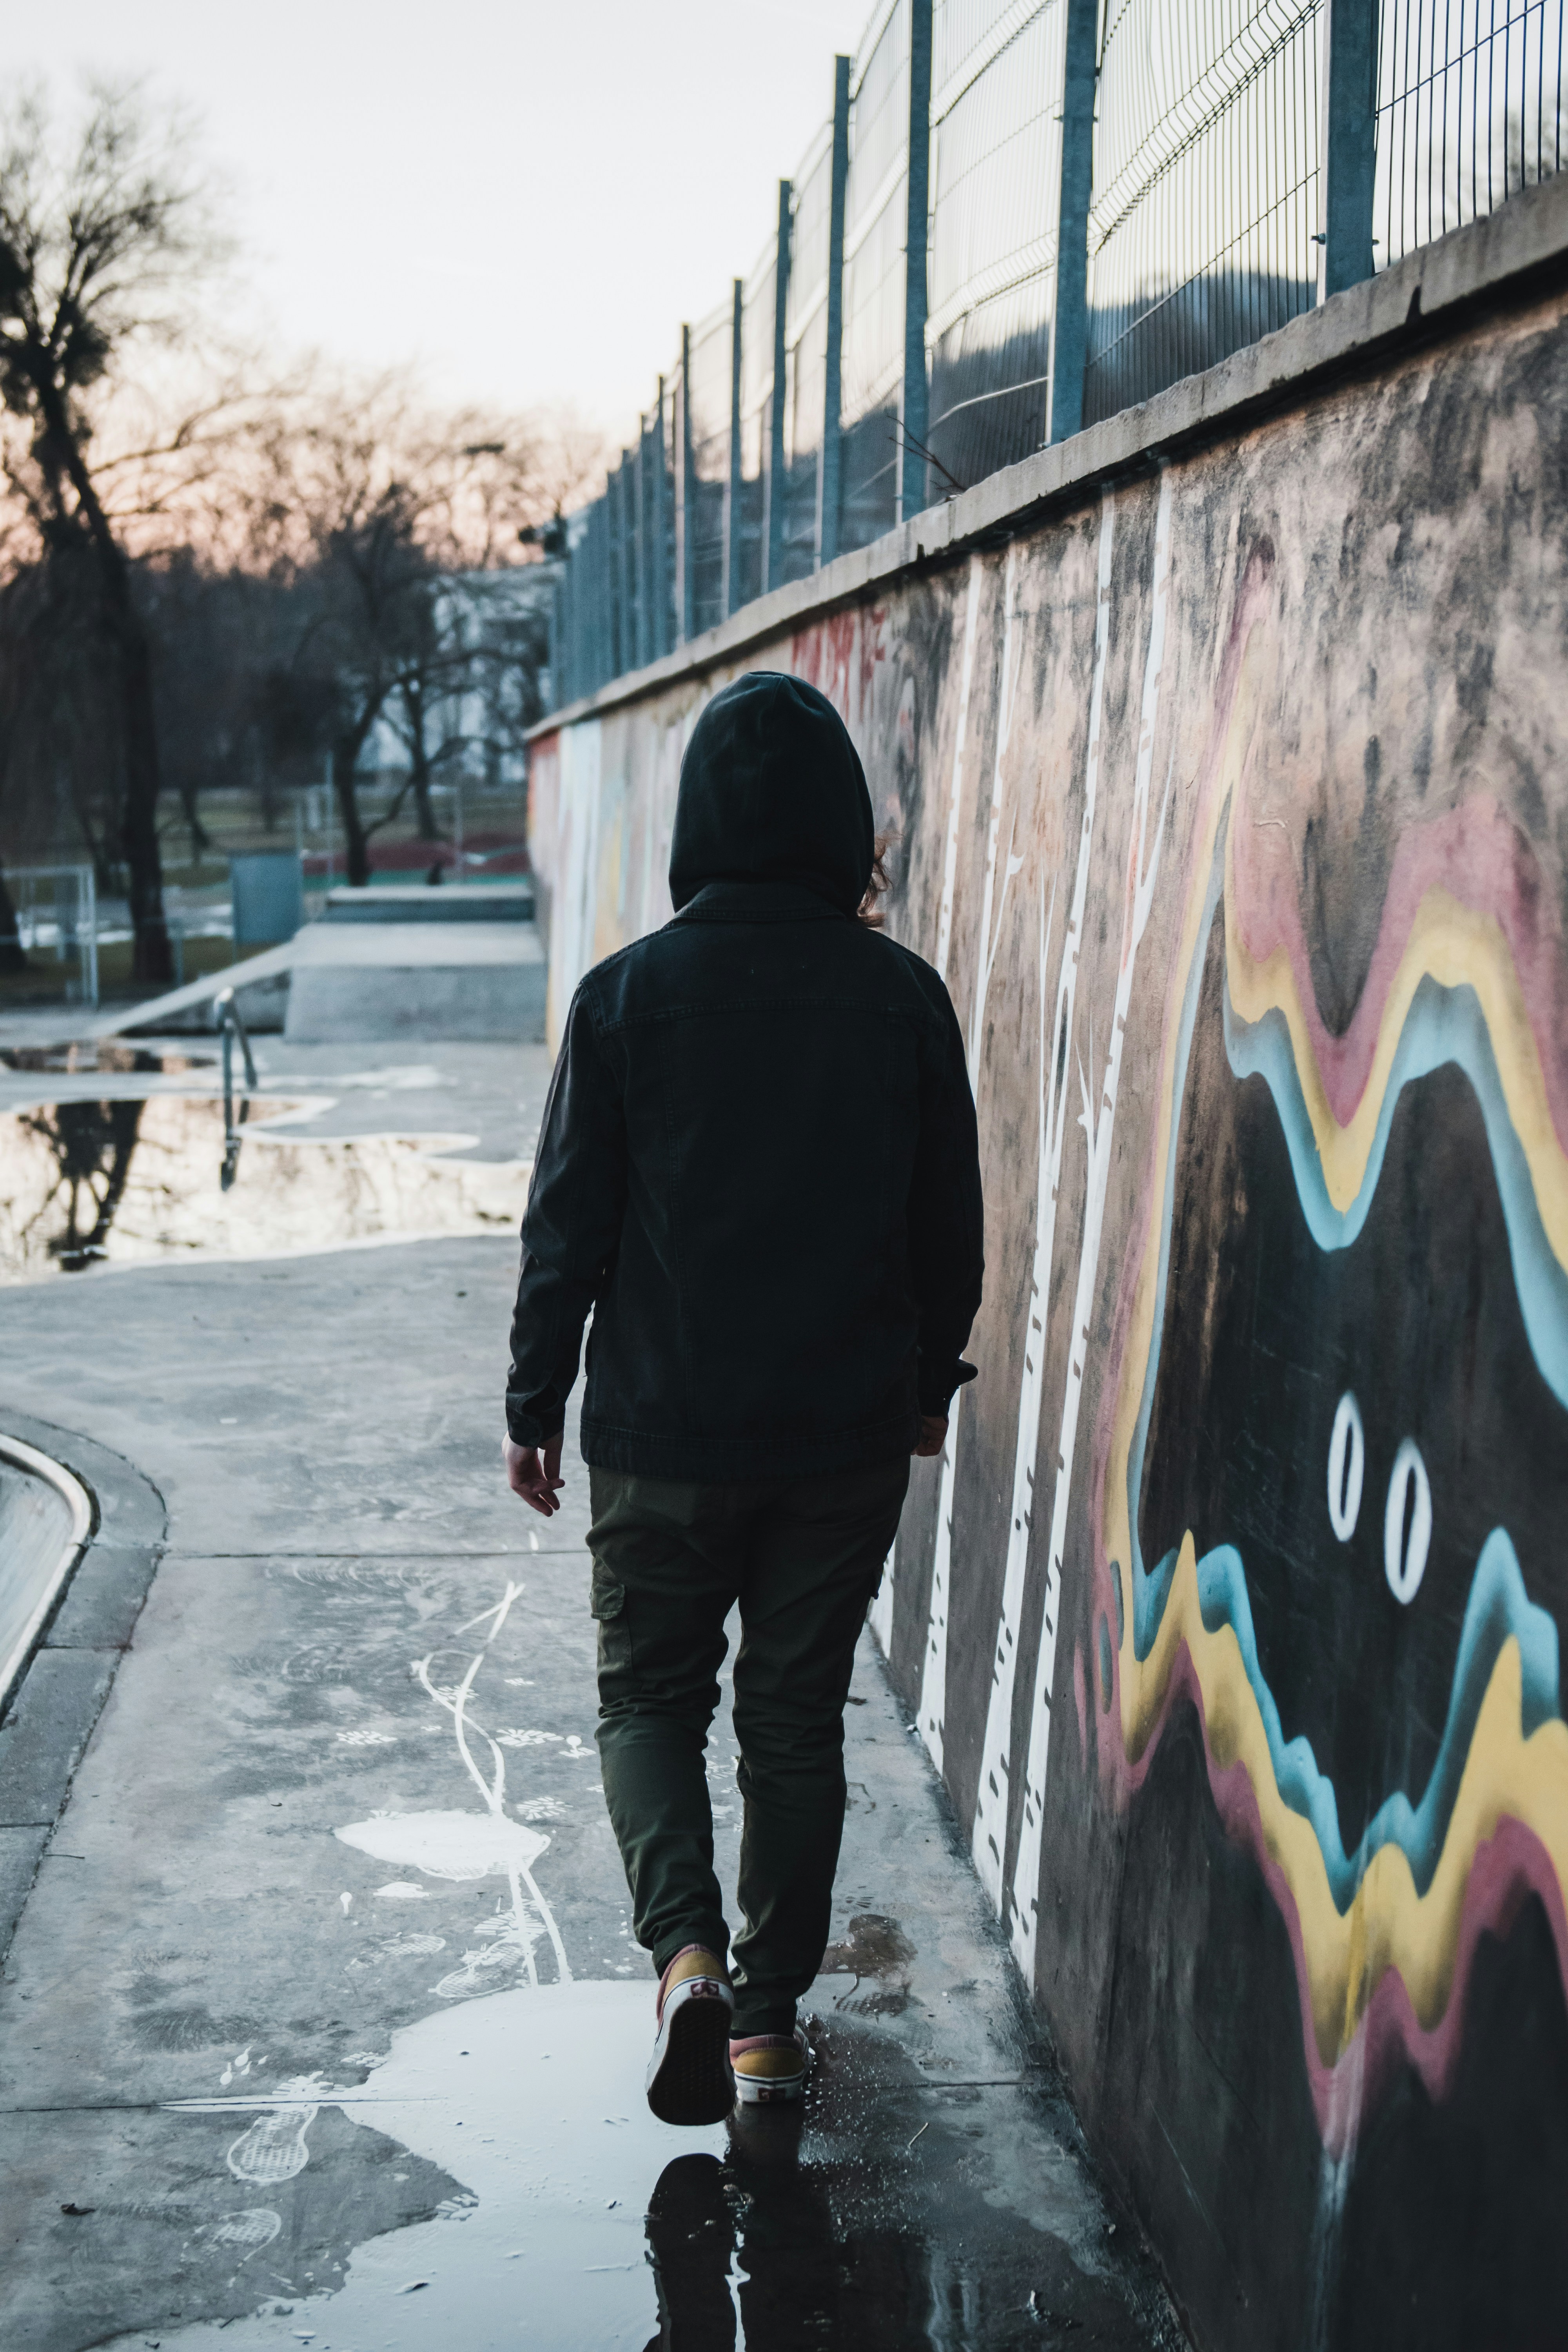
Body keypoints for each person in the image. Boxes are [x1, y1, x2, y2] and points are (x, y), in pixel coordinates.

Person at [503, 671, 983, 2126]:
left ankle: (688, 1962)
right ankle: (768, 2027)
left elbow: (567, 1229)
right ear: (841, 825)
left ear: (697, 823)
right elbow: (949, 1227)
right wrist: (926, 1384)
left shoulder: (624, 997)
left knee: (650, 1698)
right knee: (793, 1721)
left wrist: (534, 1401)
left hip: (663, 1430)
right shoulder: (903, 999)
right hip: (842, 1436)